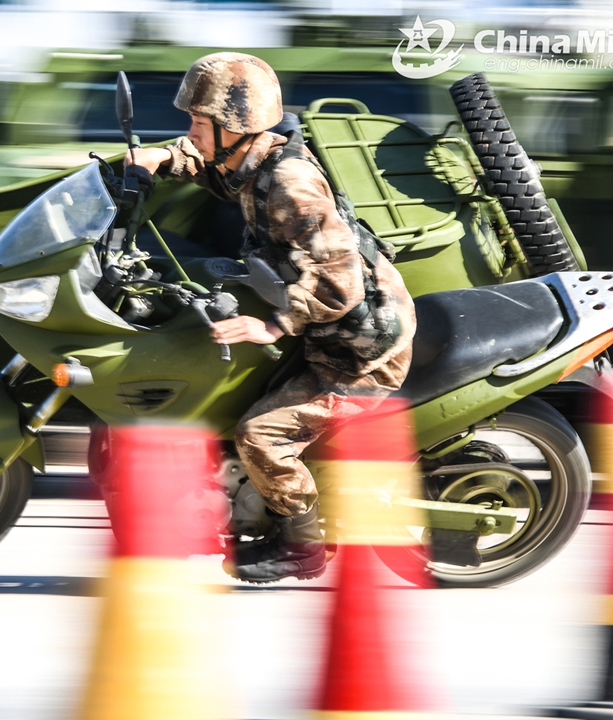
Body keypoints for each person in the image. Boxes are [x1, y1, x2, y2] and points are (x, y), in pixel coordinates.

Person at [125, 52, 417, 583]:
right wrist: (157, 160)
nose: (189, 130)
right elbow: (205, 166)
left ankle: (303, 545)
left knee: (261, 434)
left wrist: (275, 325)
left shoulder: (289, 182)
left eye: (197, 121)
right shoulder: (250, 165)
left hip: (359, 349)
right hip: (327, 326)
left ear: (233, 126)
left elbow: (340, 279)